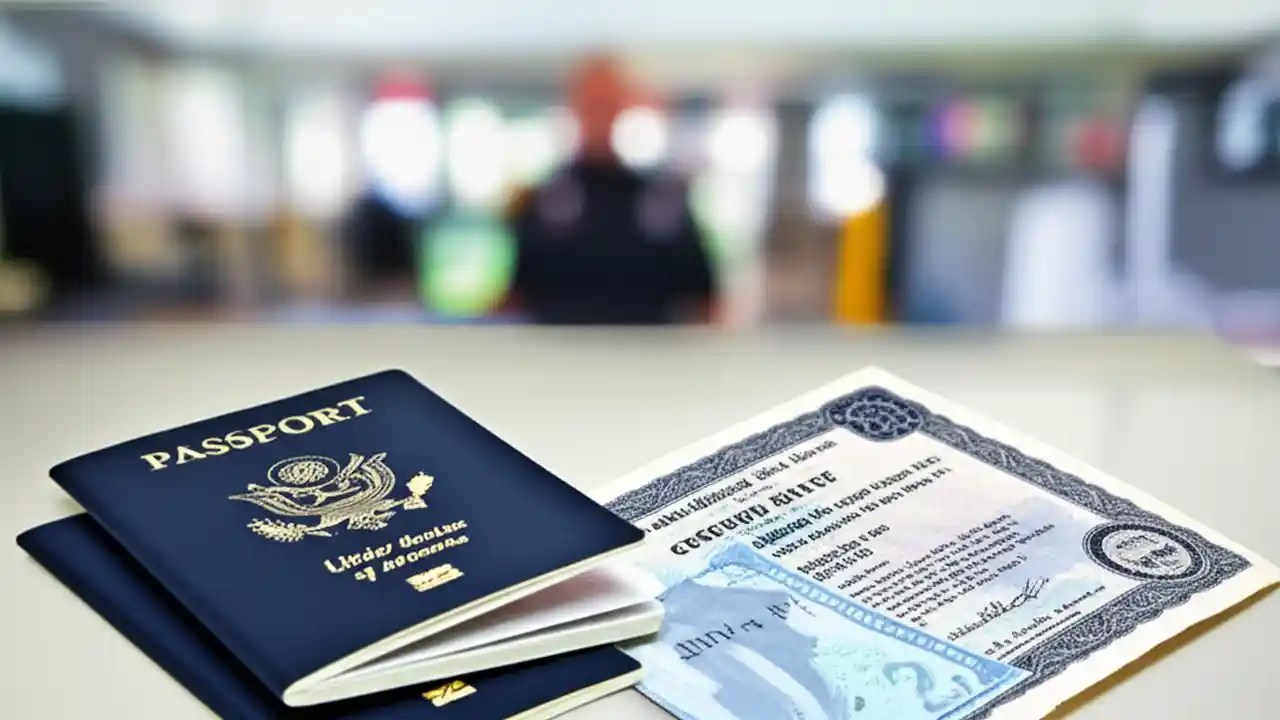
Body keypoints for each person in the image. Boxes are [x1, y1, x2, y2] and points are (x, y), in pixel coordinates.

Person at [506, 56, 716, 324]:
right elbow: (514, 295)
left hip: (648, 357)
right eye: (592, 104)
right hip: (555, 356)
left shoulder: (662, 201)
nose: (599, 115)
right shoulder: (542, 200)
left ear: (623, 107)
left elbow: (705, 297)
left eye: (607, 104)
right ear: (574, 106)